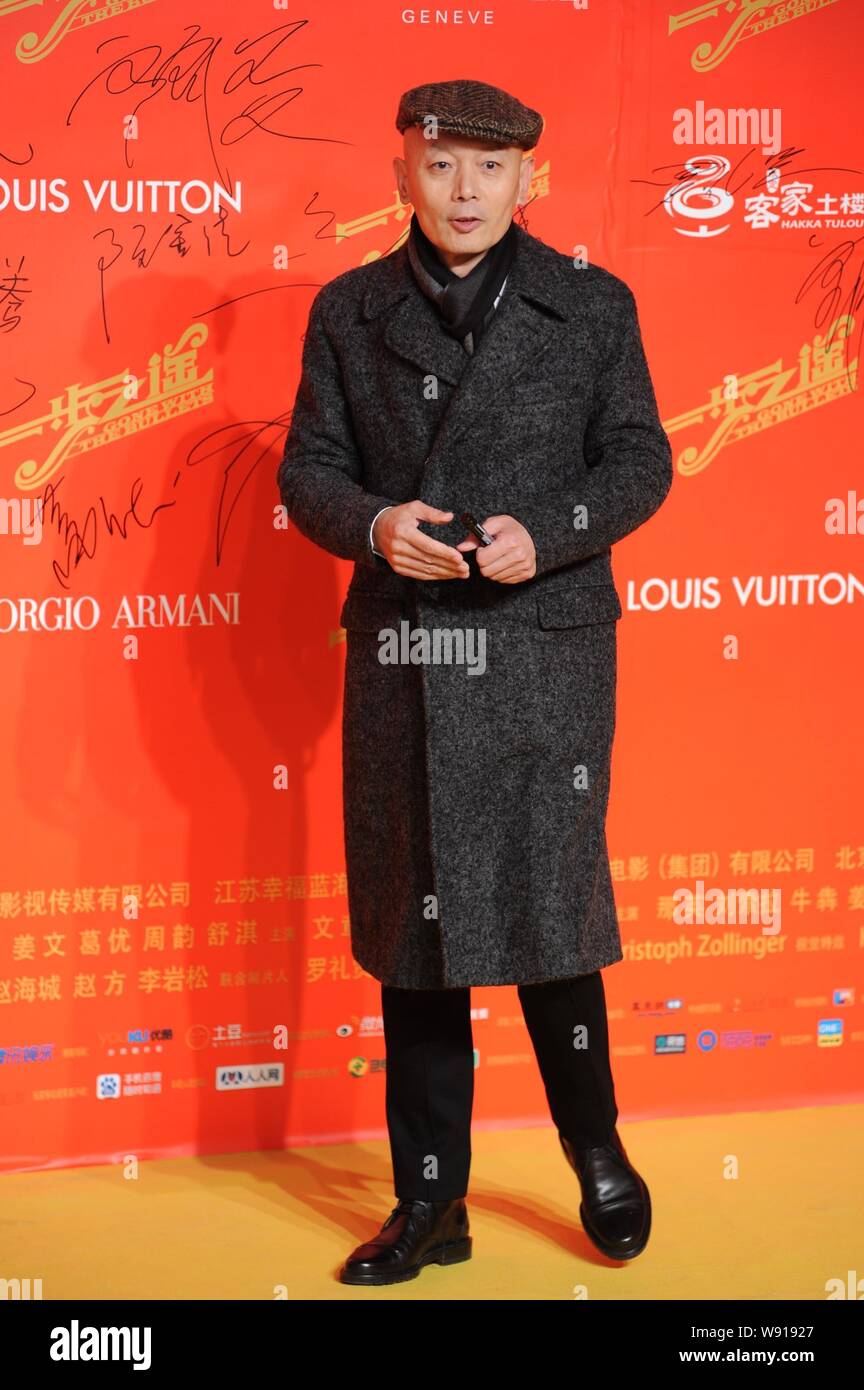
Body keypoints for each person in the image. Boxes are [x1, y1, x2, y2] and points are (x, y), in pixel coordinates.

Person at [277, 78, 673, 1285]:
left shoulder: (594, 305)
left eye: (490, 169)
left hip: (544, 648)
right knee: (416, 933)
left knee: (552, 910)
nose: (465, 191)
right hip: (409, 649)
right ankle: (430, 1203)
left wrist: (546, 530)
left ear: (528, 180)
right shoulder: (349, 312)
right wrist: (376, 519)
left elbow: (643, 459)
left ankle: (597, 1151)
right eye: (441, 166)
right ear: (402, 172)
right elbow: (309, 472)